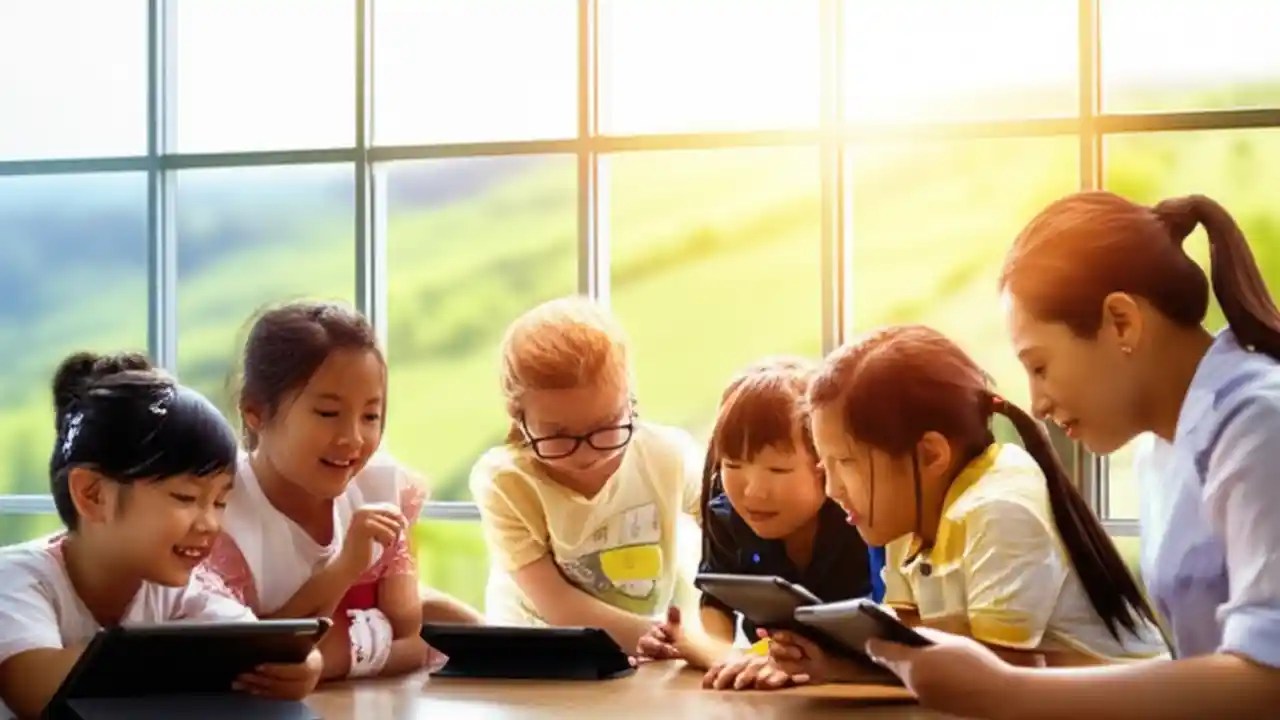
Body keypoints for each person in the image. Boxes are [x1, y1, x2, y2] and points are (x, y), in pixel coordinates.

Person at [858, 191, 1280, 718]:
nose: (1036, 403)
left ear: (1121, 321)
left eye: (1040, 366)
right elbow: (1196, 669)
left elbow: (1267, 680)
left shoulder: (1261, 425)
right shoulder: (1161, 452)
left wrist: (1006, 692)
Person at [766, 324, 1166, 691]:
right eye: (824, 465)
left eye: (847, 463)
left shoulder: (999, 509)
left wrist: (849, 665)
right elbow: (912, 655)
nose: (832, 488)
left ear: (930, 454)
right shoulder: (905, 512)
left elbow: (998, 677)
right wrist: (823, 663)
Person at [0, 352, 321, 719]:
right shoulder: (16, 579)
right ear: (93, 495)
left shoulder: (177, 590)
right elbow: (37, 689)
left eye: (219, 502)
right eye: (185, 497)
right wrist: (192, 659)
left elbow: (257, 644)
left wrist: (301, 665)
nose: (210, 524)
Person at [206, 300, 478, 682]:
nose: (353, 439)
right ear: (256, 412)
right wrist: (346, 568)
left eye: (370, 416)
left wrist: (332, 659)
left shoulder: (381, 486)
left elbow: (408, 626)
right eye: (328, 413)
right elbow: (255, 658)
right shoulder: (221, 515)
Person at [470, 296, 703, 651]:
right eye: (559, 435)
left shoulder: (667, 456)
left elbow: (733, 533)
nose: (587, 452)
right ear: (518, 417)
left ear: (630, 399)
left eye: (606, 427)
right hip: (537, 656)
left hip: (644, 652)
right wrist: (660, 638)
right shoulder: (506, 482)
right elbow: (556, 602)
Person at [633, 357, 877, 690]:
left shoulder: (863, 523)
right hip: (767, 693)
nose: (752, 491)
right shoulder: (726, 517)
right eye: (733, 465)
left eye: (778, 470)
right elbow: (717, 601)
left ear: (826, 464)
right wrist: (698, 647)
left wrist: (790, 661)